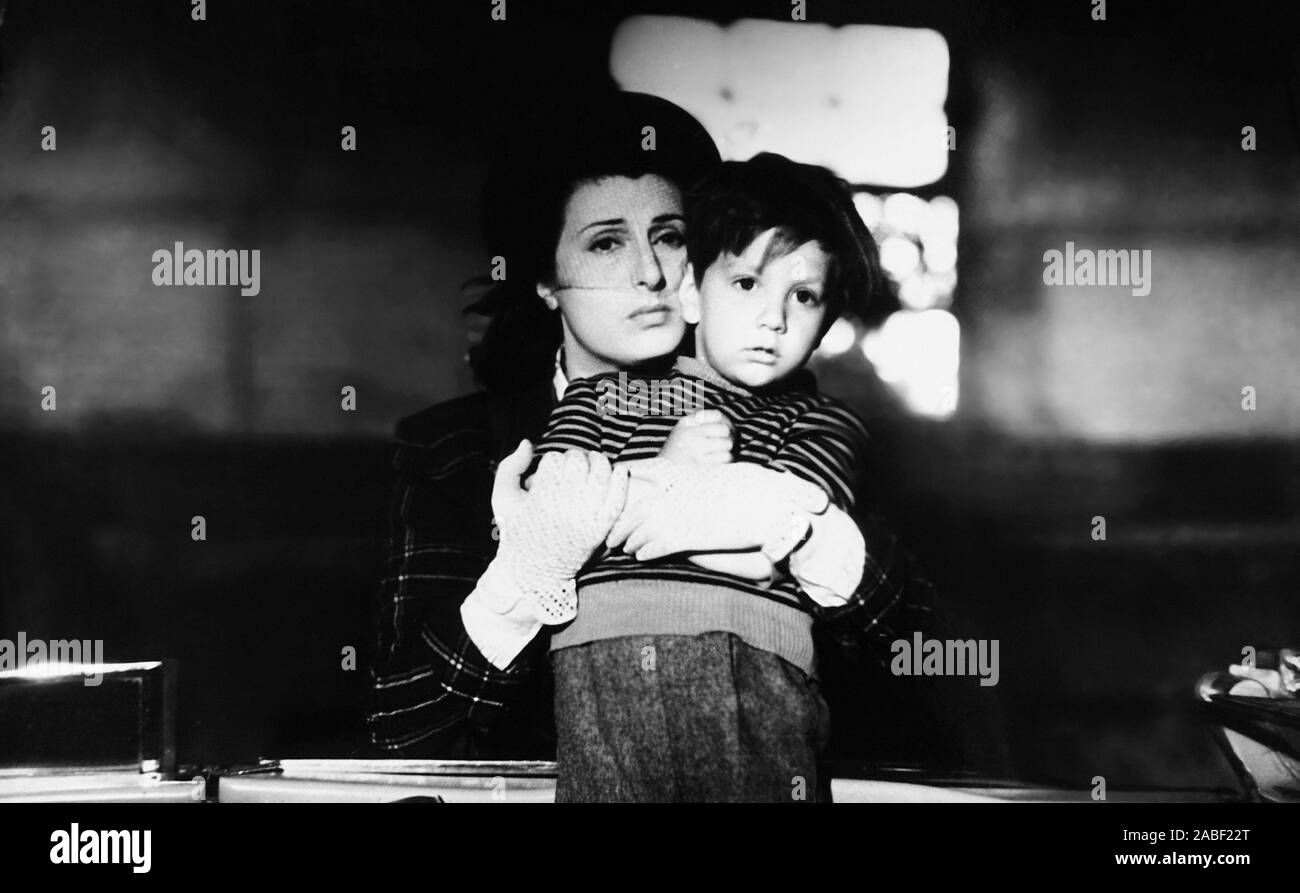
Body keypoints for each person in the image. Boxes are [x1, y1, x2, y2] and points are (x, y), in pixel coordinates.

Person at [366, 92, 932, 764]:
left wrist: (808, 533)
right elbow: (400, 729)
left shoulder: (789, 411)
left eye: (669, 236)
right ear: (547, 281)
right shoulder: (453, 448)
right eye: (607, 243)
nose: (652, 273)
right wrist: (523, 579)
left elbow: (915, 656)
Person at [527, 153, 885, 801]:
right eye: (747, 283)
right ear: (691, 291)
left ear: (826, 324)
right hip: (599, 669)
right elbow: (546, 517)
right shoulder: (598, 397)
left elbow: (771, 547)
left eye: (802, 296)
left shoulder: (825, 422)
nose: (773, 318)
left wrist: (638, 510)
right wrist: (670, 477)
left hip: (761, 669)